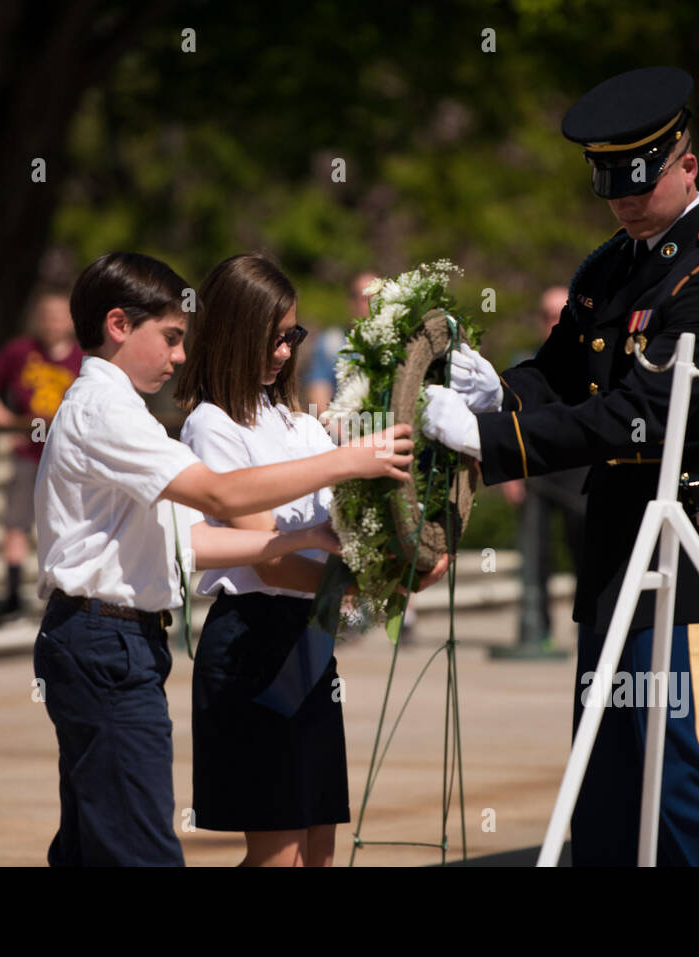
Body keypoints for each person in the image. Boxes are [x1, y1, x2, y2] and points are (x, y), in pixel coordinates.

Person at [422, 67, 699, 866]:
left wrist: (491, 440)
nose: (624, 199)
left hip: (689, 541)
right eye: (609, 183)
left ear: (687, 166)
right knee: (609, 781)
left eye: (640, 181)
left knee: (689, 778)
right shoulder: (607, 267)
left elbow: (638, 414)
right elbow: (558, 374)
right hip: (619, 539)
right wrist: (497, 392)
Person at [33, 251, 416, 867]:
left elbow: (190, 543)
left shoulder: (124, 408)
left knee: (98, 850)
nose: (181, 355)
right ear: (118, 325)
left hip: (122, 639)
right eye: (171, 337)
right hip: (110, 638)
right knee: (144, 853)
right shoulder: (106, 409)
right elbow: (220, 496)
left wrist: (314, 543)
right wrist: (347, 462)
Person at [0, 286, 83, 622]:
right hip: (27, 453)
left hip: (67, 455)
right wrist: (3, 417)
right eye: (46, 316)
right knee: (16, 522)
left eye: (58, 316)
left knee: (69, 524)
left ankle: (67, 591)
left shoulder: (84, 357)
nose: (52, 323)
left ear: (70, 321)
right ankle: (12, 595)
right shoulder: (19, 351)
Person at [497, 286, 587, 654]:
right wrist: (509, 474)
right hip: (534, 474)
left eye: (560, 314)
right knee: (533, 559)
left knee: (587, 555)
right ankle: (534, 631)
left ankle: (593, 631)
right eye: (547, 315)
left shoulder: (593, 358)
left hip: (580, 474)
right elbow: (508, 420)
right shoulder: (525, 362)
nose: (553, 322)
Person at [303, 271, 377, 416]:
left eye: (376, 297)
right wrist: (337, 428)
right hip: (344, 424)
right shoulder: (332, 342)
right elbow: (318, 393)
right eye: (364, 298)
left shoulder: (396, 343)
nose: (370, 304)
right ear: (351, 302)